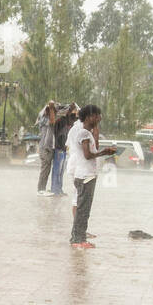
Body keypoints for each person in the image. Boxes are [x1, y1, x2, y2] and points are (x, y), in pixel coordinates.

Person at [67, 104, 116, 248]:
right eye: (96, 115)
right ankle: (77, 240)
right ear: (89, 117)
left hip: (87, 174)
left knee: (84, 209)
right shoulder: (83, 134)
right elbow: (87, 155)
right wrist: (104, 152)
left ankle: (79, 238)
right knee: (83, 210)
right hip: (85, 175)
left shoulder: (86, 133)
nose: (99, 118)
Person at [51, 105, 76, 196]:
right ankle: (55, 189)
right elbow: (58, 136)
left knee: (61, 171)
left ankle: (59, 189)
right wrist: (62, 146)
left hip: (63, 149)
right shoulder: (60, 121)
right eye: (68, 111)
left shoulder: (66, 121)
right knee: (57, 170)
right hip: (59, 149)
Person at [36, 101, 57, 195]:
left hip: (47, 147)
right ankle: (40, 190)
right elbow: (52, 121)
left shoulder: (46, 118)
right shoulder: (44, 119)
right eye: (50, 111)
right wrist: (51, 108)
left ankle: (42, 189)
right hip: (45, 148)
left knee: (47, 169)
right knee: (44, 169)